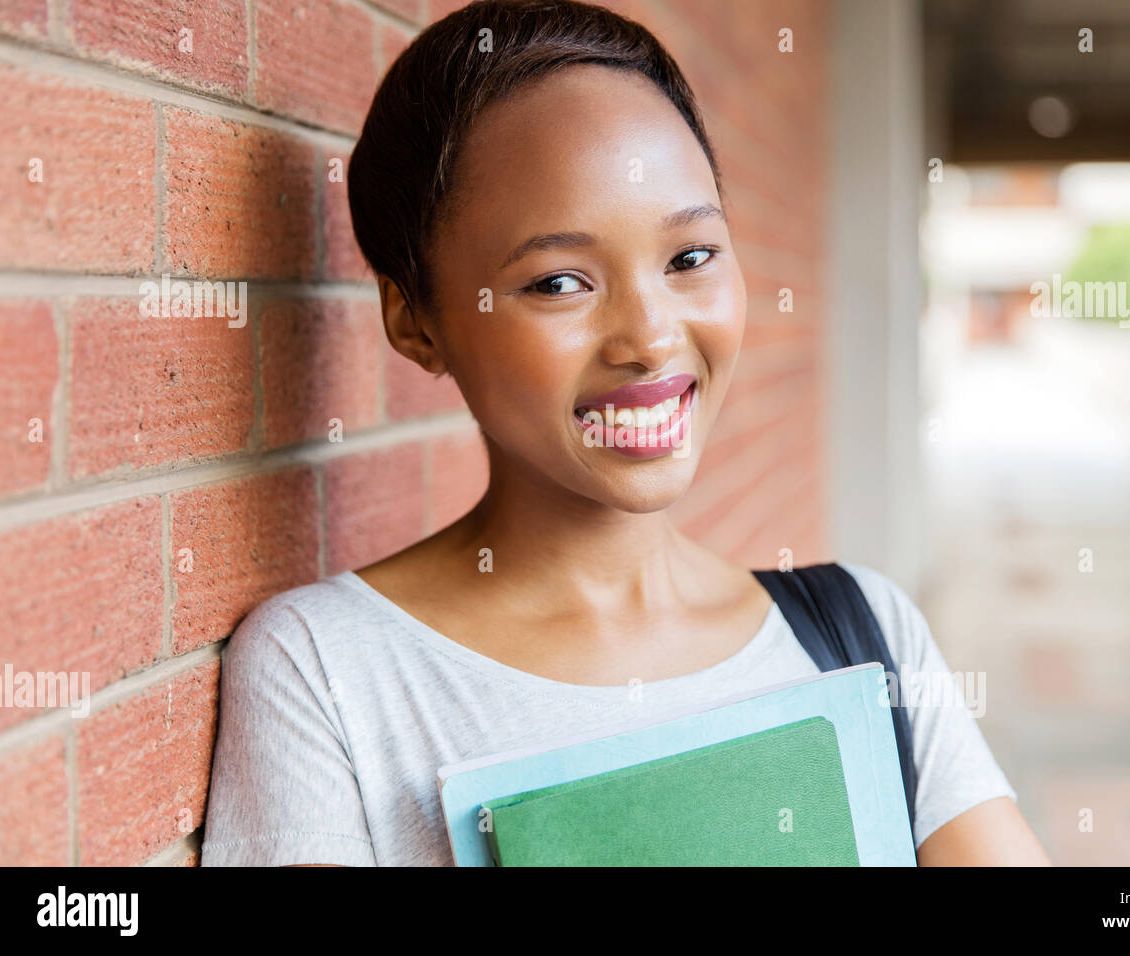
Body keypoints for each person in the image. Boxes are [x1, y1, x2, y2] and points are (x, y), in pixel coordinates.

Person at [200, 0, 1050, 867]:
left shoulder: (861, 632)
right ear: (416, 321)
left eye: (690, 258)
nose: (648, 337)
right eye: (560, 282)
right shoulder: (327, 672)